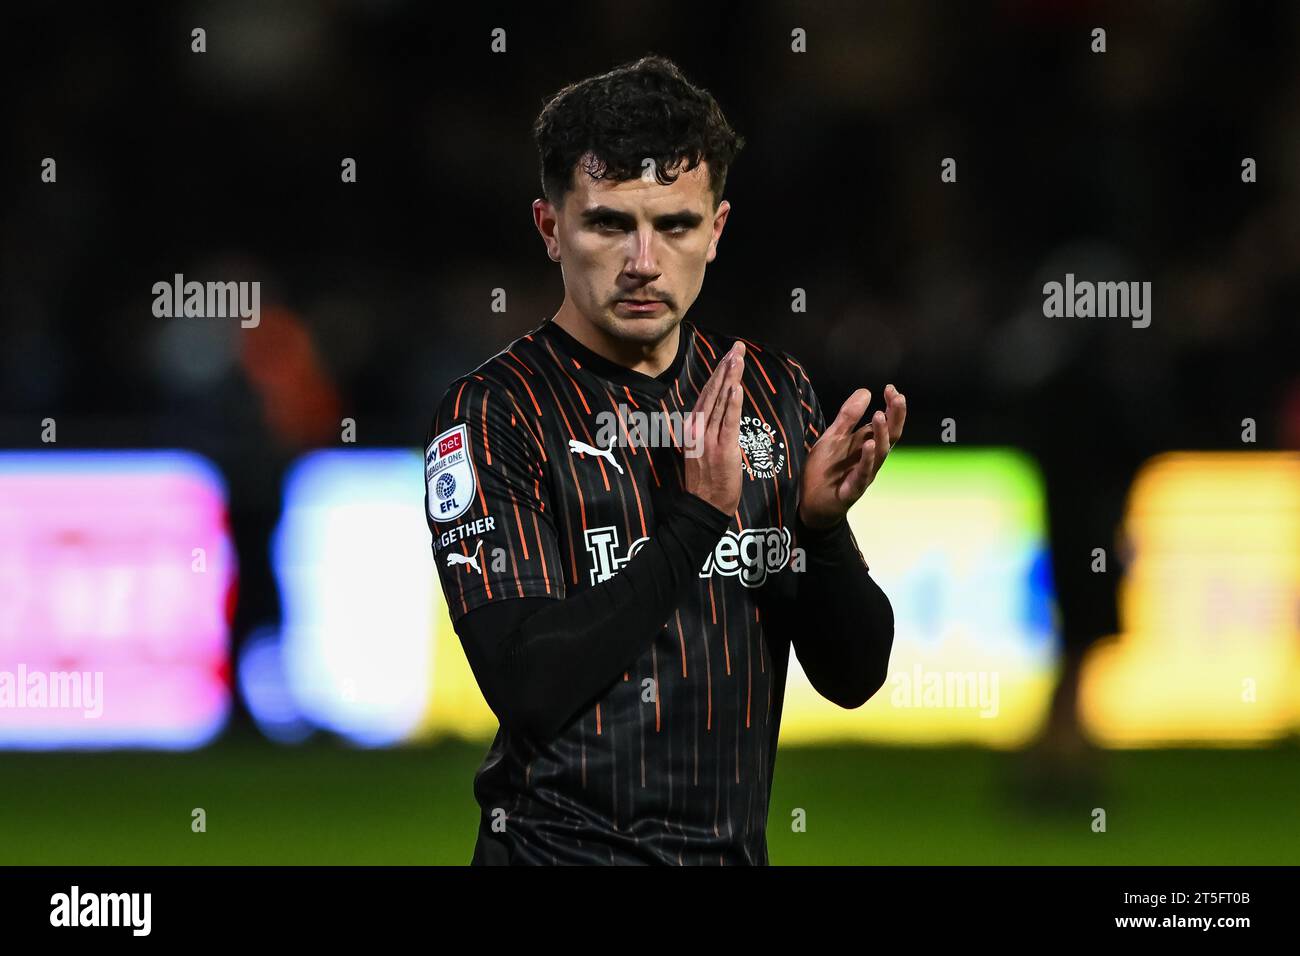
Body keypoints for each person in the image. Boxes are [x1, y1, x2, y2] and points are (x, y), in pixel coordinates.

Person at [423, 55, 906, 864]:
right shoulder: (495, 414)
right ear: (550, 228)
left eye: (675, 225)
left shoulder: (772, 395)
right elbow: (527, 685)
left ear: (716, 230)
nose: (643, 261)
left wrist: (821, 533)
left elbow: (854, 677)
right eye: (609, 223)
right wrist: (695, 522)